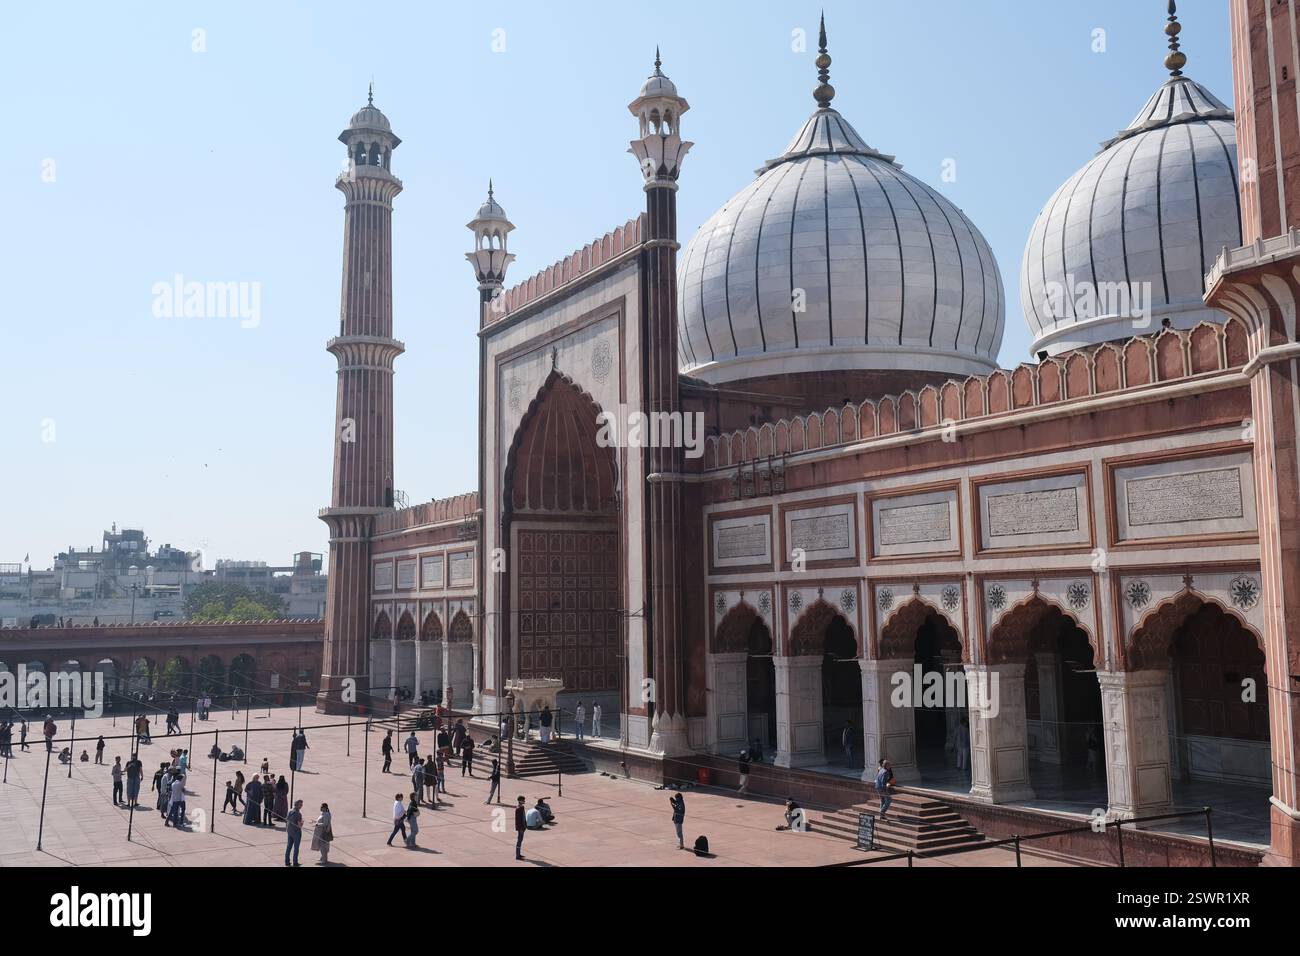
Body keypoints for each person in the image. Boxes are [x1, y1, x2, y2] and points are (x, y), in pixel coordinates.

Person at [285, 799, 305, 866]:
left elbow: (286, 820)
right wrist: (302, 822)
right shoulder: (298, 814)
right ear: (297, 805)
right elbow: (300, 826)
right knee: (296, 848)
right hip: (296, 832)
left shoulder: (290, 810)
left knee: (288, 847)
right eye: (300, 804)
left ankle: (287, 861)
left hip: (289, 831)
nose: (301, 806)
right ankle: (295, 862)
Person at [514, 796, 527, 860]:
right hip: (521, 828)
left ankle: (519, 854)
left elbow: (524, 817)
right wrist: (520, 828)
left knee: (520, 840)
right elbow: (518, 820)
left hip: (523, 827)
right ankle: (517, 855)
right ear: (520, 801)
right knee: (519, 841)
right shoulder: (518, 809)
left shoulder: (522, 807)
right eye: (523, 800)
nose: (524, 801)